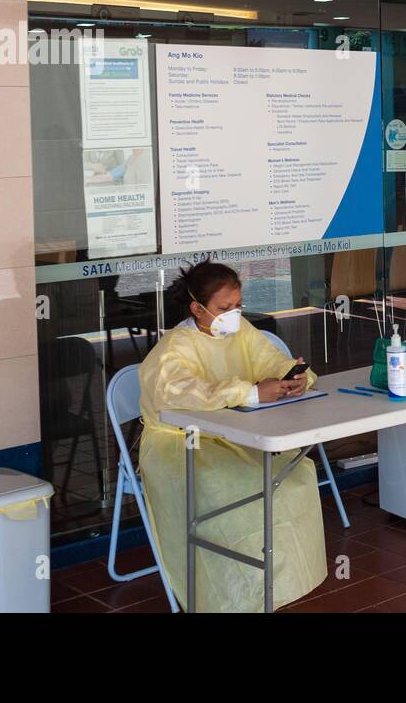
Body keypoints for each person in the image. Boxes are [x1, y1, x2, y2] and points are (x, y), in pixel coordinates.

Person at [137, 259, 327, 612]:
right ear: (197, 308)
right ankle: (230, 592)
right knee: (229, 483)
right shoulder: (175, 347)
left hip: (235, 435)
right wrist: (251, 393)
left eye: (238, 305)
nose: (234, 314)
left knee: (295, 474)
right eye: (224, 308)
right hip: (180, 442)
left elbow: (270, 360)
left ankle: (277, 583)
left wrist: (293, 377)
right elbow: (178, 393)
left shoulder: (240, 333)